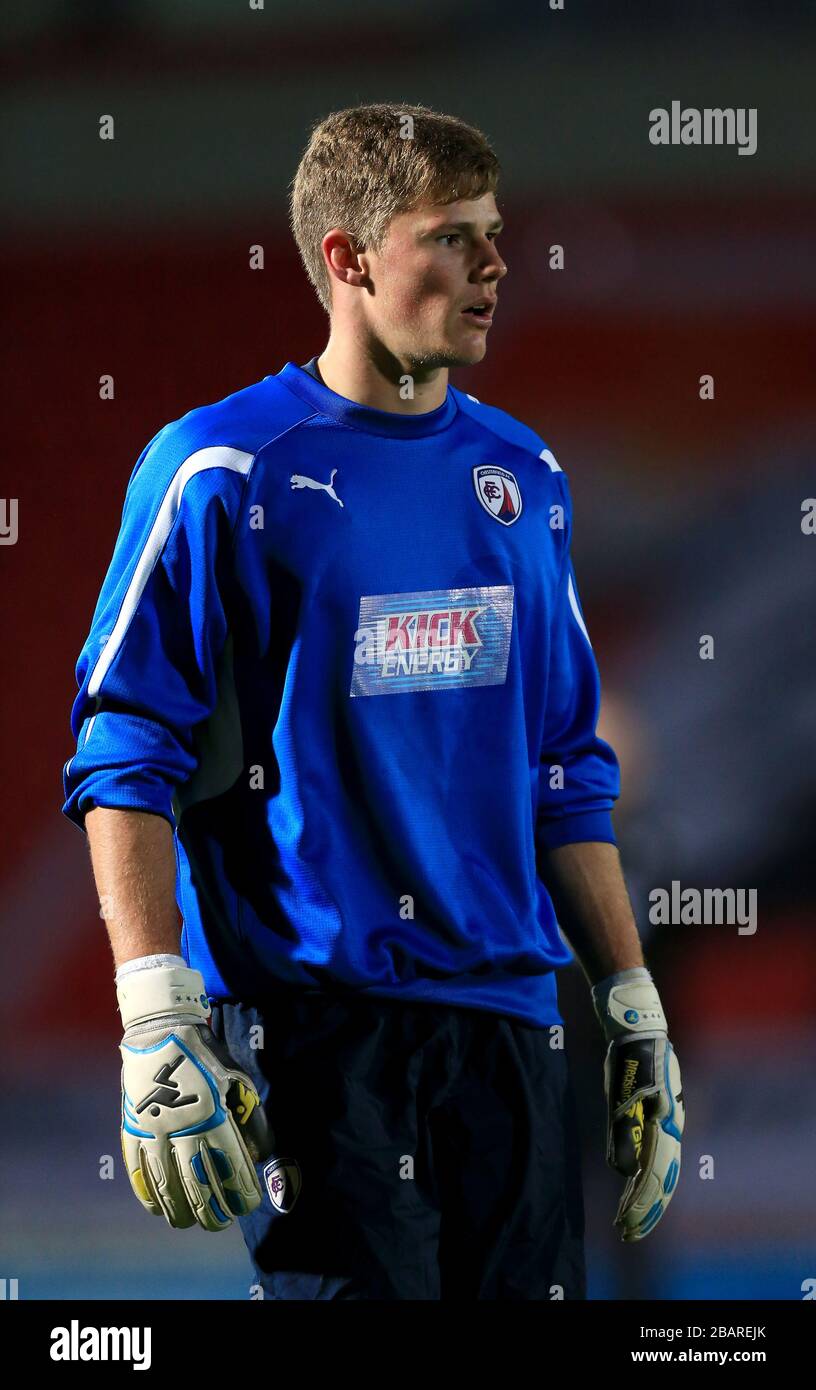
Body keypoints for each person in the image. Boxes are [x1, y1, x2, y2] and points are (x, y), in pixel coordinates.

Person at [61, 102, 684, 1301]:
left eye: (496, 233)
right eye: (453, 236)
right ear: (347, 259)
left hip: (514, 1025)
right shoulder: (220, 470)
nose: (498, 264)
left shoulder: (525, 476)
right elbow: (123, 742)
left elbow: (565, 762)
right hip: (315, 1036)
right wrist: (154, 1017)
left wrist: (630, 999)